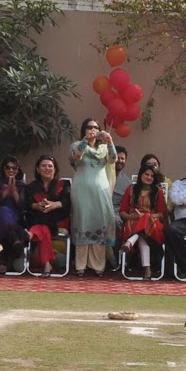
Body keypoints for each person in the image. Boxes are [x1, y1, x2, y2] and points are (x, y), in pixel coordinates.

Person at [68, 118, 117, 276]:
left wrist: (110, 142)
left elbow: (113, 159)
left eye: (96, 127)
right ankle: (80, 265)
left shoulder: (103, 148)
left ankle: (98, 266)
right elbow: (76, 157)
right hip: (81, 190)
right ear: (84, 129)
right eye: (89, 127)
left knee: (100, 222)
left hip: (101, 190)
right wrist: (85, 140)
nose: (93, 129)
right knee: (82, 222)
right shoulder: (76, 145)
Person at [23, 155, 71, 278]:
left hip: (59, 219)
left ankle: (31, 234)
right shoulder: (31, 186)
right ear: (38, 169)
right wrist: (36, 206)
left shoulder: (63, 184)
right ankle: (47, 264)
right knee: (43, 227)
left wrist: (54, 204)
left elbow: (67, 203)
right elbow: (27, 204)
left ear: (55, 169)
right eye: (43, 166)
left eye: (50, 166)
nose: (47, 168)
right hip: (39, 218)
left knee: (43, 221)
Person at [118, 164, 168, 279]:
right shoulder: (130, 189)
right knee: (142, 232)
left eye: (152, 175)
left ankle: (130, 242)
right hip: (132, 222)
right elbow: (122, 212)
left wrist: (150, 216)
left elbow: (161, 213)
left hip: (153, 224)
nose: (149, 177)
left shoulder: (157, 191)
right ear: (141, 174)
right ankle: (147, 270)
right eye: (146, 174)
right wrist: (133, 217)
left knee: (145, 218)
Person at [0, 158, 26, 272]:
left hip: (15, 215)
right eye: (8, 167)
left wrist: (14, 190)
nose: (11, 170)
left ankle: (1, 260)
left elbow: (22, 205)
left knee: (5, 221)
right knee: (2, 214)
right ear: (3, 168)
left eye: (14, 168)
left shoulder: (21, 185)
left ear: (18, 170)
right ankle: (13, 241)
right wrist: (7, 189)